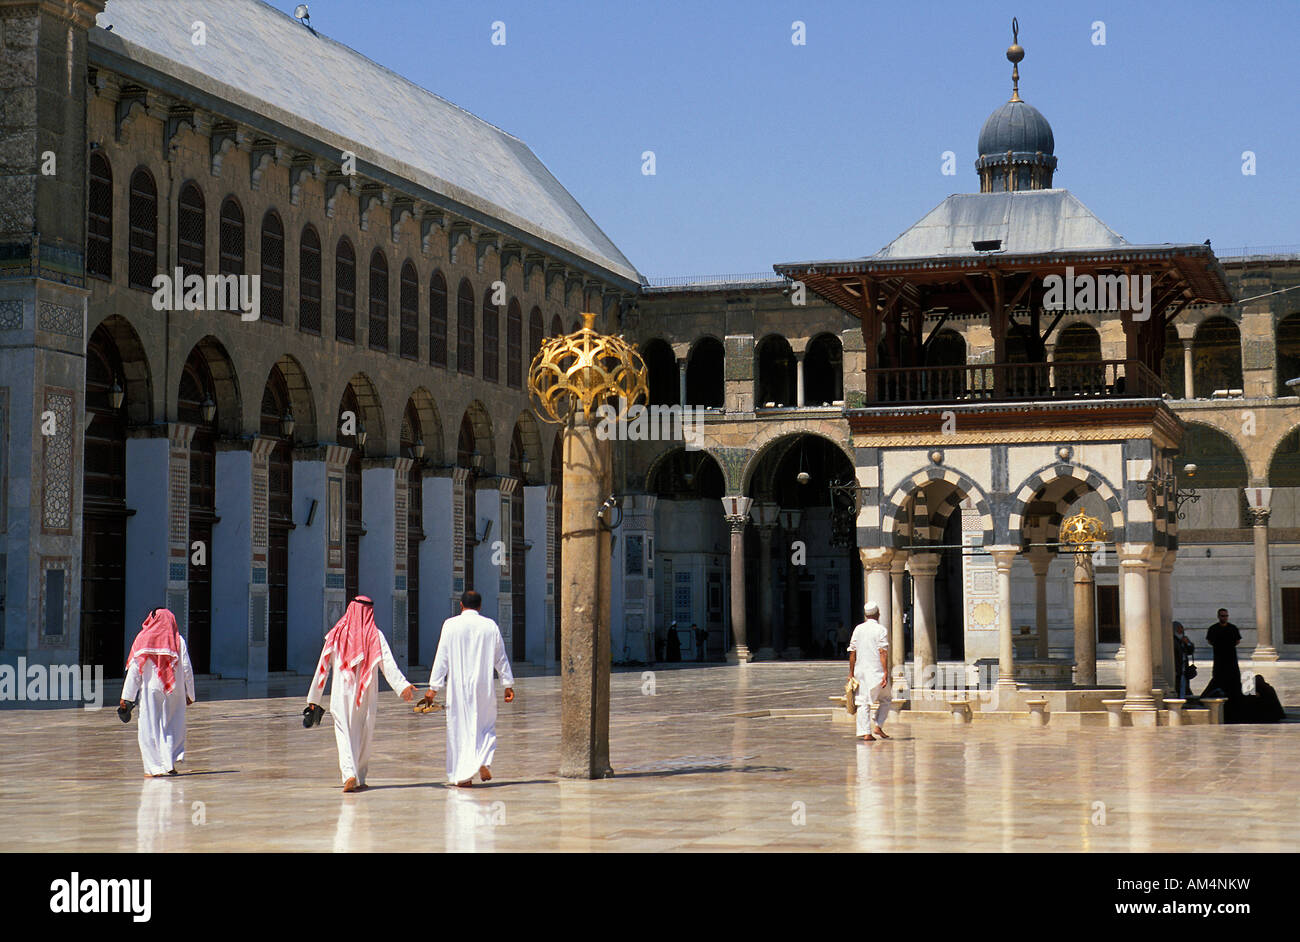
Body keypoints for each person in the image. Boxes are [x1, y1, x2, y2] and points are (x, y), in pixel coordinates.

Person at [306, 596, 415, 792]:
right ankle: (359, 775)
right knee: (365, 733)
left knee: (344, 733)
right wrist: (402, 686)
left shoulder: (336, 634)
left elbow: (323, 667)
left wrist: (314, 698)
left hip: (341, 694)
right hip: (365, 694)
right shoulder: (375, 635)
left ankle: (349, 773)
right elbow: (388, 664)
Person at [419, 590, 515, 787]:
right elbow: (501, 657)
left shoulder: (450, 625)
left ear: (461, 606)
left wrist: (433, 688)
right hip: (483, 685)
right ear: (480, 607)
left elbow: (442, 657)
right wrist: (507, 684)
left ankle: (463, 776)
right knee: (486, 726)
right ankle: (483, 761)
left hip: (458, 687)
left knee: (459, 728)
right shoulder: (490, 626)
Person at [120, 607, 195, 777]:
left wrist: (127, 696)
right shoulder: (178, 641)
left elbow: (134, 670)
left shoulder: (142, 640)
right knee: (172, 725)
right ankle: (168, 762)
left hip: (150, 689)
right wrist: (190, 694)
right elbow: (186, 668)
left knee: (149, 725)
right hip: (174, 689)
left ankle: (153, 767)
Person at [848, 601, 891, 742]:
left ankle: (865, 732)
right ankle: (878, 724)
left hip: (861, 671)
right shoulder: (881, 630)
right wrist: (885, 671)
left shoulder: (858, 629)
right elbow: (882, 652)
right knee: (886, 699)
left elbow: (852, 652)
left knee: (863, 702)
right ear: (878, 614)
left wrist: (851, 673)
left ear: (865, 615)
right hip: (876, 671)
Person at [1201, 608, 1242, 699]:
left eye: (1226, 616)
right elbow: (1210, 640)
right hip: (1219, 659)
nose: (1225, 618)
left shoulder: (1233, 628)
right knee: (1218, 677)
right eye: (1223, 616)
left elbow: (1237, 640)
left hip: (1231, 659)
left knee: (1233, 678)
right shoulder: (1213, 628)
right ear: (1219, 617)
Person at [1172, 621, 1196, 698]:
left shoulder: (1184, 639)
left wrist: (1188, 643)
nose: (1181, 630)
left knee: (1184, 686)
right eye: (1179, 628)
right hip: (1177, 669)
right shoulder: (1173, 640)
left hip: (1184, 668)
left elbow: (1190, 651)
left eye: (1181, 628)